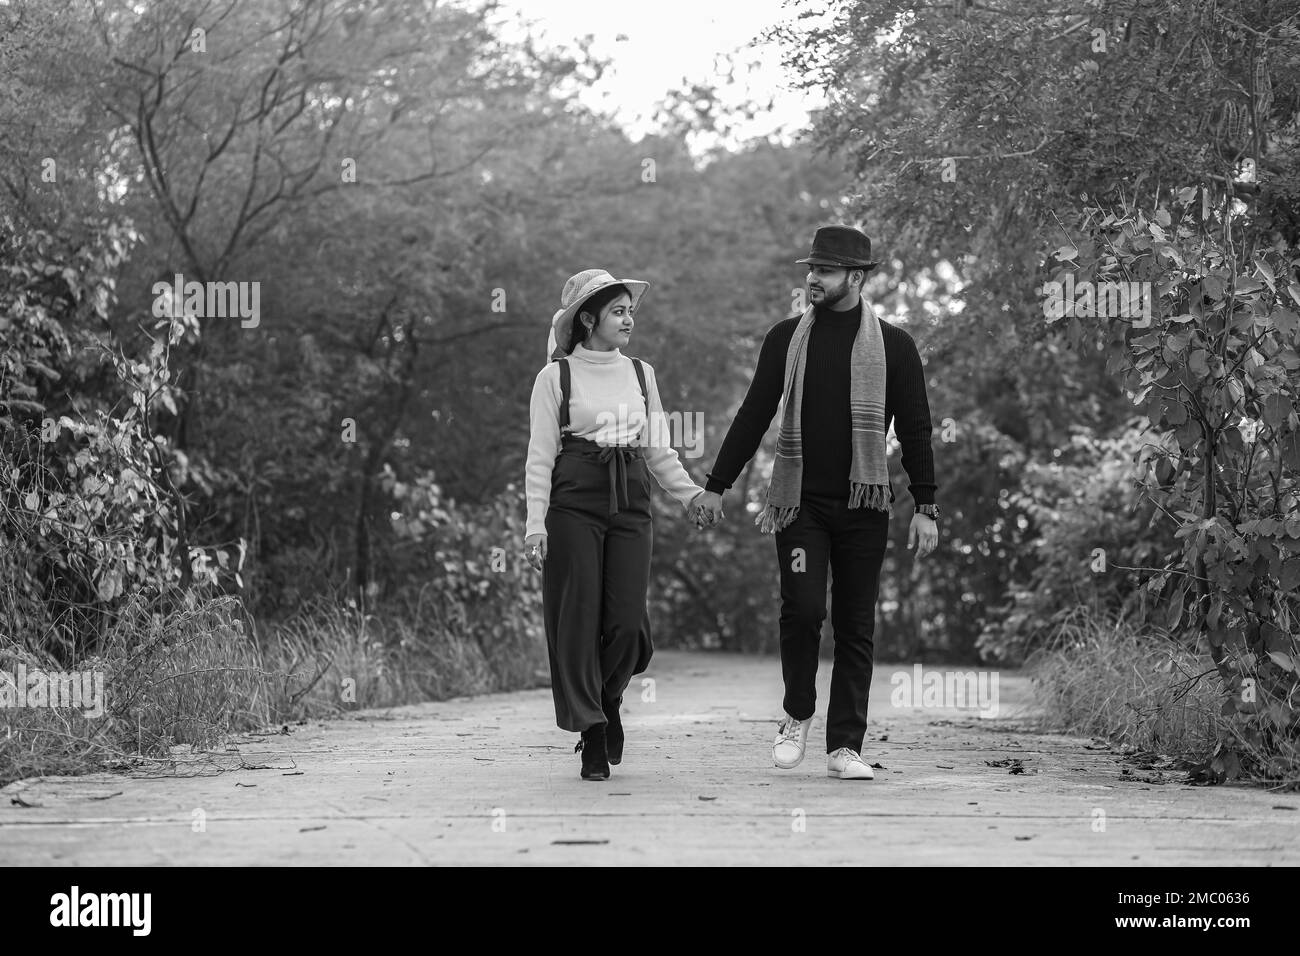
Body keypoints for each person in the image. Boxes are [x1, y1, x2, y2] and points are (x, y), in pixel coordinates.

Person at [692, 225, 940, 780]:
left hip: (864, 506)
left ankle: (844, 747)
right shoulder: (786, 339)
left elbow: (917, 429)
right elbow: (754, 411)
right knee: (803, 611)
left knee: (855, 625)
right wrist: (716, 484)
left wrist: (926, 506)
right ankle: (797, 714)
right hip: (799, 505)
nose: (813, 278)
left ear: (856, 277)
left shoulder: (895, 347)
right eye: (811, 269)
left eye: (825, 271)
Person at [524, 269, 706, 781]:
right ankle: (593, 732)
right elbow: (540, 456)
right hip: (573, 500)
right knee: (578, 618)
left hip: (630, 497)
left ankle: (608, 699)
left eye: (630, 311)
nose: (629, 320)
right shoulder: (555, 378)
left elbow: (658, 449)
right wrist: (535, 524)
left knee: (627, 622)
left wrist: (691, 494)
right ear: (588, 320)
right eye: (618, 312)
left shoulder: (642, 373)